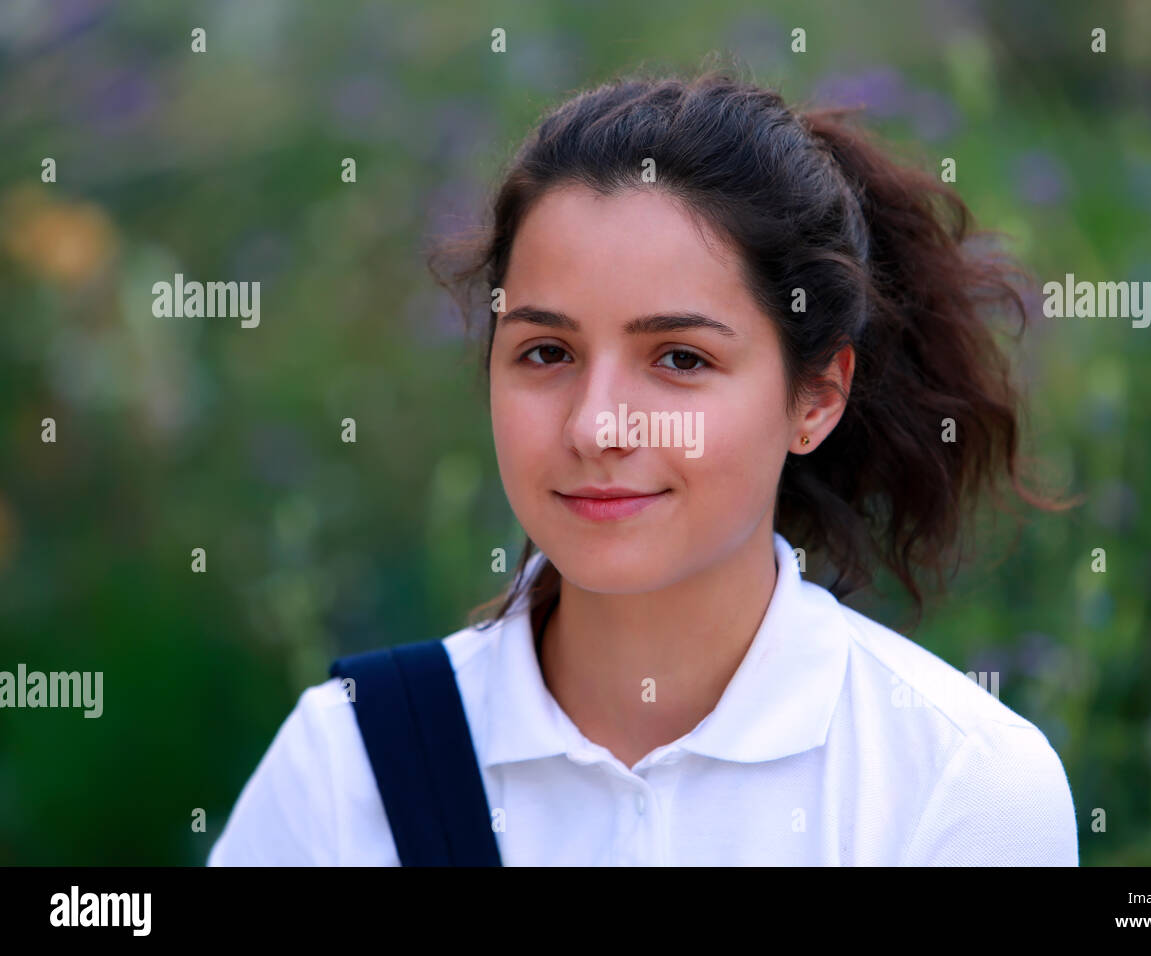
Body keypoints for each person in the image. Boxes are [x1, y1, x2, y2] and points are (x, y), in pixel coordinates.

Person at [208, 66, 1080, 866]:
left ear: (815, 396)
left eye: (680, 360)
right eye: (547, 353)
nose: (596, 427)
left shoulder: (957, 787)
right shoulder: (348, 766)